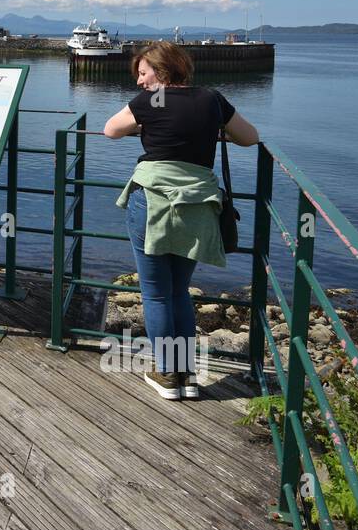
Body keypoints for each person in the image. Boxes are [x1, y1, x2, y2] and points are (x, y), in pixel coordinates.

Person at [103, 41, 259, 400]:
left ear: (161, 70)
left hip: (153, 201)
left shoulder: (149, 101)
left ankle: (167, 374)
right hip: (198, 205)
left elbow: (110, 130)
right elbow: (250, 138)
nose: (140, 82)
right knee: (178, 293)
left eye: (143, 73)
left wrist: (144, 127)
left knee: (155, 294)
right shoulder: (212, 99)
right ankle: (186, 375)